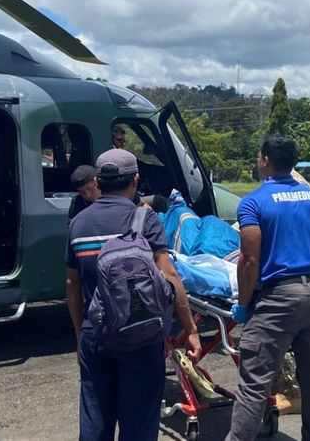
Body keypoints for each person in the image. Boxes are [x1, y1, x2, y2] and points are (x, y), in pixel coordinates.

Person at [66, 148, 203, 441]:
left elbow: (72, 286)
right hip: (142, 336)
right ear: (136, 179)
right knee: (139, 423)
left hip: (96, 334)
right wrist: (190, 328)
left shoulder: (78, 224)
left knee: (94, 420)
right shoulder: (145, 220)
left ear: (98, 182)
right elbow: (170, 276)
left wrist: (81, 335)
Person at [225, 135, 310, 441]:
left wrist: (243, 303)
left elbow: (249, 259)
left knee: (254, 383)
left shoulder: (253, 202)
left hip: (276, 299)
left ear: (265, 160)